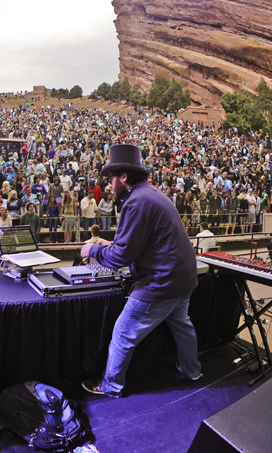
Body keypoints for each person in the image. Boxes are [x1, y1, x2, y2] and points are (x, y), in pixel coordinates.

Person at [81, 144, 201, 397]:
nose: (109, 186)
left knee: (122, 334)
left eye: (111, 179)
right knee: (182, 325)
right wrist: (110, 244)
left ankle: (111, 385)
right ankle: (192, 371)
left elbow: (122, 257)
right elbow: (143, 243)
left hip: (162, 283)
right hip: (185, 279)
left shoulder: (135, 203)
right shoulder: (151, 194)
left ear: (123, 177)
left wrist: (92, 251)